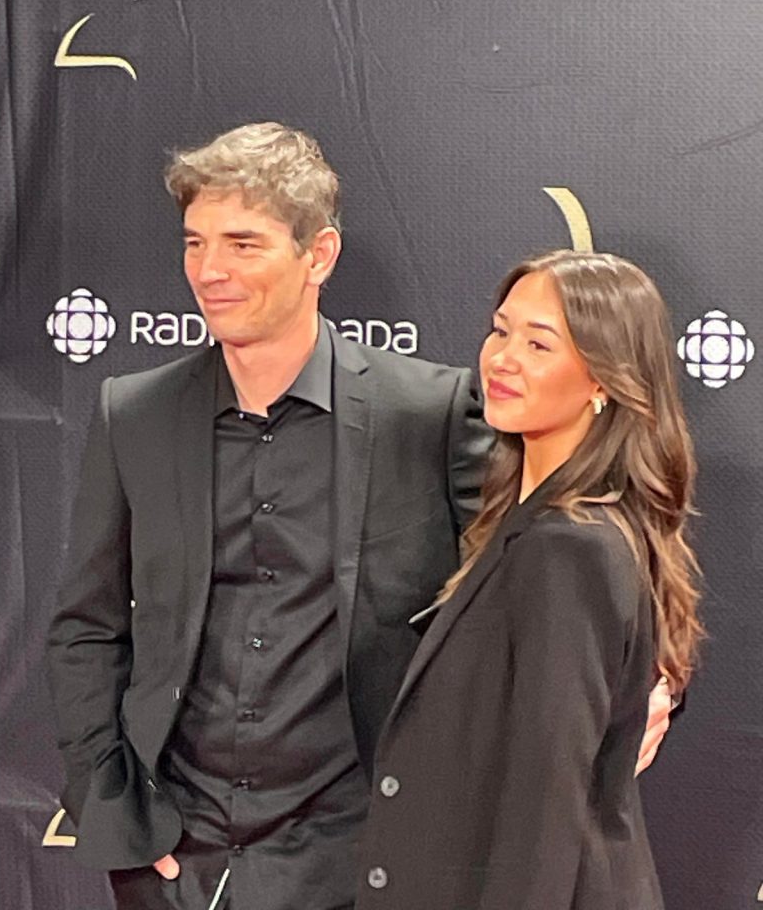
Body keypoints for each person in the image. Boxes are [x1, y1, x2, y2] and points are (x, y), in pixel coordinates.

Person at [47, 126, 672, 910]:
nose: (210, 271)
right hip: (178, 864)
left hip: (366, 863)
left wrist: (653, 682)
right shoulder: (133, 413)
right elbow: (86, 629)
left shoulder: (431, 411)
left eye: (243, 244)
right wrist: (113, 816)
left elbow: (553, 572)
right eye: (196, 242)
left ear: (319, 256)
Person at [355, 250, 703, 910]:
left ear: (604, 378)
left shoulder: (569, 549)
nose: (502, 358)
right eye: (500, 330)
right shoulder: (537, 523)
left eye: (539, 343)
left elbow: (545, 808)